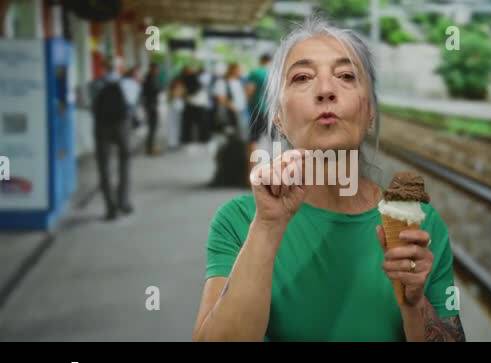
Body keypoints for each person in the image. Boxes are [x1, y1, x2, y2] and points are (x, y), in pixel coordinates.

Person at [193, 18, 465, 342]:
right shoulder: (238, 221)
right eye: (303, 77)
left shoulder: (420, 226)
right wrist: (267, 228)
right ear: (278, 115)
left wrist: (414, 302)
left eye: (347, 76)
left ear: (370, 111)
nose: (325, 91)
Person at [91, 58, 134, 221]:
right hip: (122, 126)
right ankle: (123, 201)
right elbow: (131, 105)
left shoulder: (95, 84)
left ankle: (110, 208)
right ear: (119, 68)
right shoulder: (127, 84)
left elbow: (88, 103)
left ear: (103, 68)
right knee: (124, 161)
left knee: (104, 166)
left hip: (101, 127)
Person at [213, 62, 249, 143]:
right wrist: (231, 106)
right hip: (229, 114)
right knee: (229, 137)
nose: (241, 71)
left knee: (241, 136)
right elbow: (220, 98)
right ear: (233, 70)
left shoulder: (239, 82)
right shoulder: (222, 82)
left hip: (240, 112)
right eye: (239, 70)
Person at [246, 53, 272, 154]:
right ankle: (276, 165)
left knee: (253, 138)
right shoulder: (275, 73)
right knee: (274, 139)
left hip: (258, 109)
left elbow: (249, 91)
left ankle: (251, 167)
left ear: (261, 60)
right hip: (272, 110)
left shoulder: (256, 73)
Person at [142, 63, 162, 155]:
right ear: (153, 69)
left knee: (153, 127)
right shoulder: (150, 79)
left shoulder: (150, 78)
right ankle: (150, 148)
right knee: (152, 127)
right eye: (157, 69)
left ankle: (150, 147)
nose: (158, 71)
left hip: (151, 105)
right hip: (151, 106)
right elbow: (154, 91)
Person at [166, 75, 186, 150]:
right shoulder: (175, 89)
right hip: (175, 106)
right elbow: (178, 94)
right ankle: (173, 144)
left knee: (176, 126)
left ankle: (174, 143)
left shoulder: (172, 88)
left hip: (176, 106)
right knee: (174, 126)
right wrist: (180, 91)